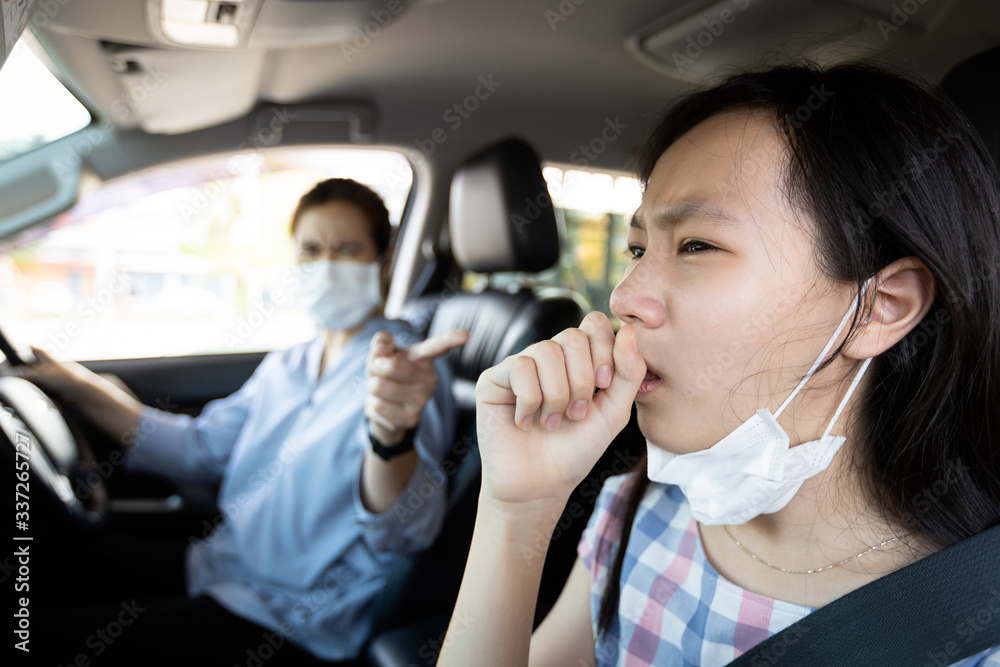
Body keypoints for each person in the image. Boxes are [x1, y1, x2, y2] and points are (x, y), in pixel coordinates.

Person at [438, 63, 1000, 666]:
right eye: (637, 249)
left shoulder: (965, 629)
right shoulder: (642, 504)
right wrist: (516, 513)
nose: (623, 297)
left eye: (697, 245)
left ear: (878, 310)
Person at [24, 178, 468, 664]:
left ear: (383, 261)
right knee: (40, 555)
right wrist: (73, 383)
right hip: (222, 569)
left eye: (347, 250)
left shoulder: (407, 372)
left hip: (294, 619)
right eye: (311, 250)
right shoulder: (292, 361)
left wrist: (391, 438)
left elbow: (407, 532)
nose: (326, 265)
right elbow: (197, 449)